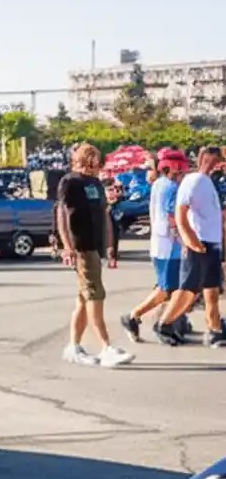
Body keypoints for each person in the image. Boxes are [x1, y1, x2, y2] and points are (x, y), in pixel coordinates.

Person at [58, 143, 133, 367]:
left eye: (96, 159)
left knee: (84, 298)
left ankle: (74, 346)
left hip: (95, 246)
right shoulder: (70, 182)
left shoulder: (96, 184)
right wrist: (67, 246)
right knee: (94, 295)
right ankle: (106, 347)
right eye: (90, 159)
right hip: (81, 246)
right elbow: (62, 214)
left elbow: (104, 214)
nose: (95, 163)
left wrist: (110, 245)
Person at [153, 147, 224, 347]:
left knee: (212, 289)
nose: (213, 163)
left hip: (212, 243)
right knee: (188, 290)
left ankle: (215, 329)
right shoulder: (192, 180)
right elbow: (180, 211)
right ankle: (164, 324)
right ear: (201, 158)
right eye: (209, 159)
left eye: (216, 160)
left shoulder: (208, 182)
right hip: (199, 243)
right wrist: (188, 238)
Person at [121, 148, 189, 342]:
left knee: (171, 288)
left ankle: (167, 324)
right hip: (170, 246)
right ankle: (134, 316)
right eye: (180, 170)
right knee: (167, 289)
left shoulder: (159, 184)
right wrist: (185, 240)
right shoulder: (172, 187)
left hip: (160, 244)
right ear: (172, 168)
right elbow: (173, 217)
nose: (182, 173)